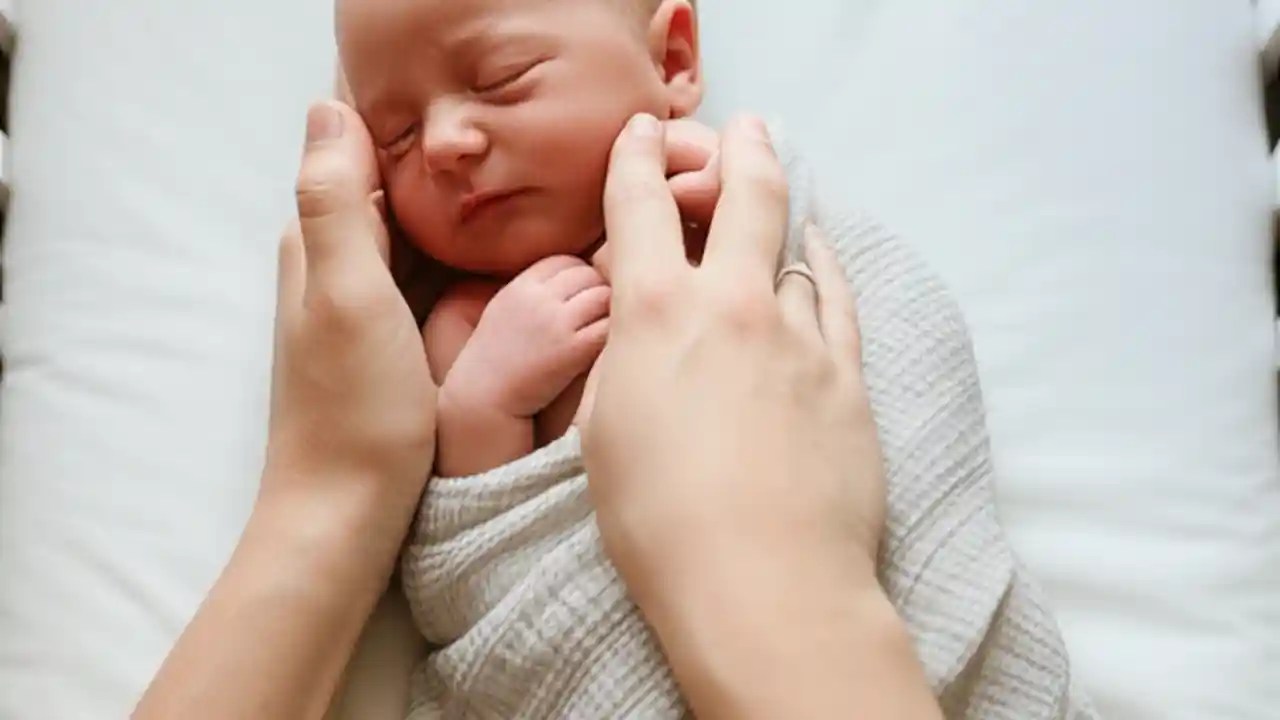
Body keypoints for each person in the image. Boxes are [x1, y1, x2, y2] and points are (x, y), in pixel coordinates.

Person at [132, 94, 940, 719]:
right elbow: (480, 532)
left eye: (503, 78)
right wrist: (483, 399)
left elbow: (882, 336)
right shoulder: (463, 325)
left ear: (673, 61)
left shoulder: (731, 211)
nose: (445, 137)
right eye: (398, 133)